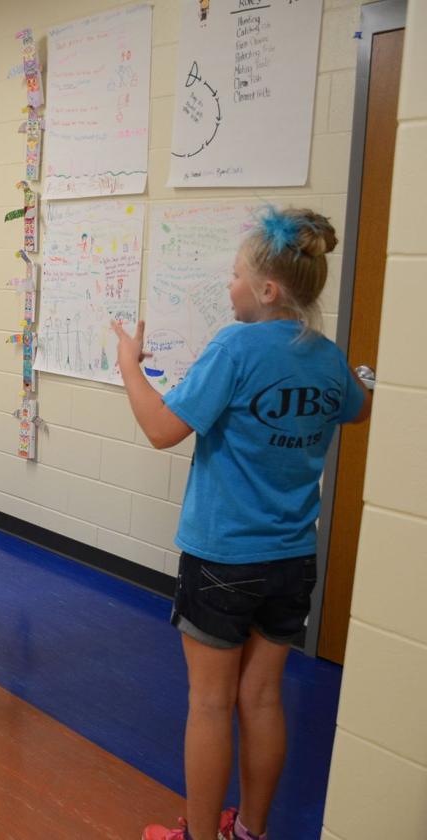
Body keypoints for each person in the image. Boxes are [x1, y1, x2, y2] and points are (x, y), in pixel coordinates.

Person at [112, 208, 372, 840]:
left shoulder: (234, 346)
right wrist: (361, 376)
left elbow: (161, 429)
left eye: (233, 277)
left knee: (209, 703)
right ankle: (250, 832)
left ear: (267, 290)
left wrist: (128, 363)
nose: (226, 287)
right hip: (292, 561)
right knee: (261, 699)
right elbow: (358, 408)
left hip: (224, 557)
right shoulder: (325, 356)